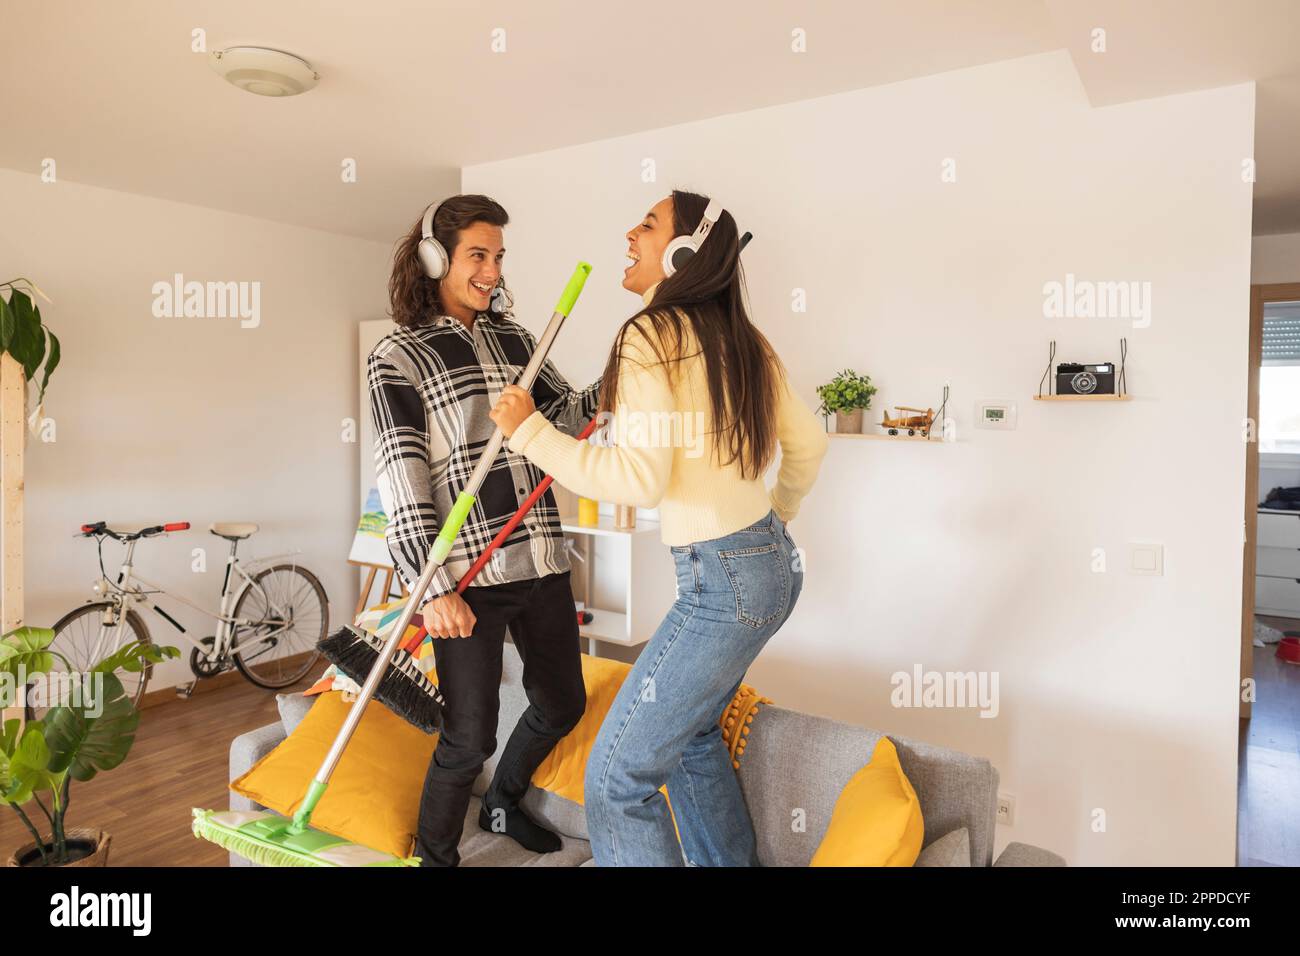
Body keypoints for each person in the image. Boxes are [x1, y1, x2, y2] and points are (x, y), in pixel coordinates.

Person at [489, 189, 828, 866]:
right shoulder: (744, 339)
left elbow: (636, 480)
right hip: (769, 569)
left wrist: (529, 432)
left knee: (615, 782)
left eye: (646, 224)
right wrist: (775, 524)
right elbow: (811, 443)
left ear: (681, 253)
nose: (629, 232)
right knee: (695, 735)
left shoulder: (650, 335)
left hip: (723, 582)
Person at [369, 194, 598, 866]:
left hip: (541, 557)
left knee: (562, 703)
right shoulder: (399, 355)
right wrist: (430, 583)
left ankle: (503, 799)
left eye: (498, 257)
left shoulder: (518, 341)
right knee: (466, 738)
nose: (492, 270)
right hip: (466, 577)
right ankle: (436, 859)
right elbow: (400, 476)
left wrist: (621, 376)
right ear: (436, 258)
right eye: (478, 255)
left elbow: (569, 420)